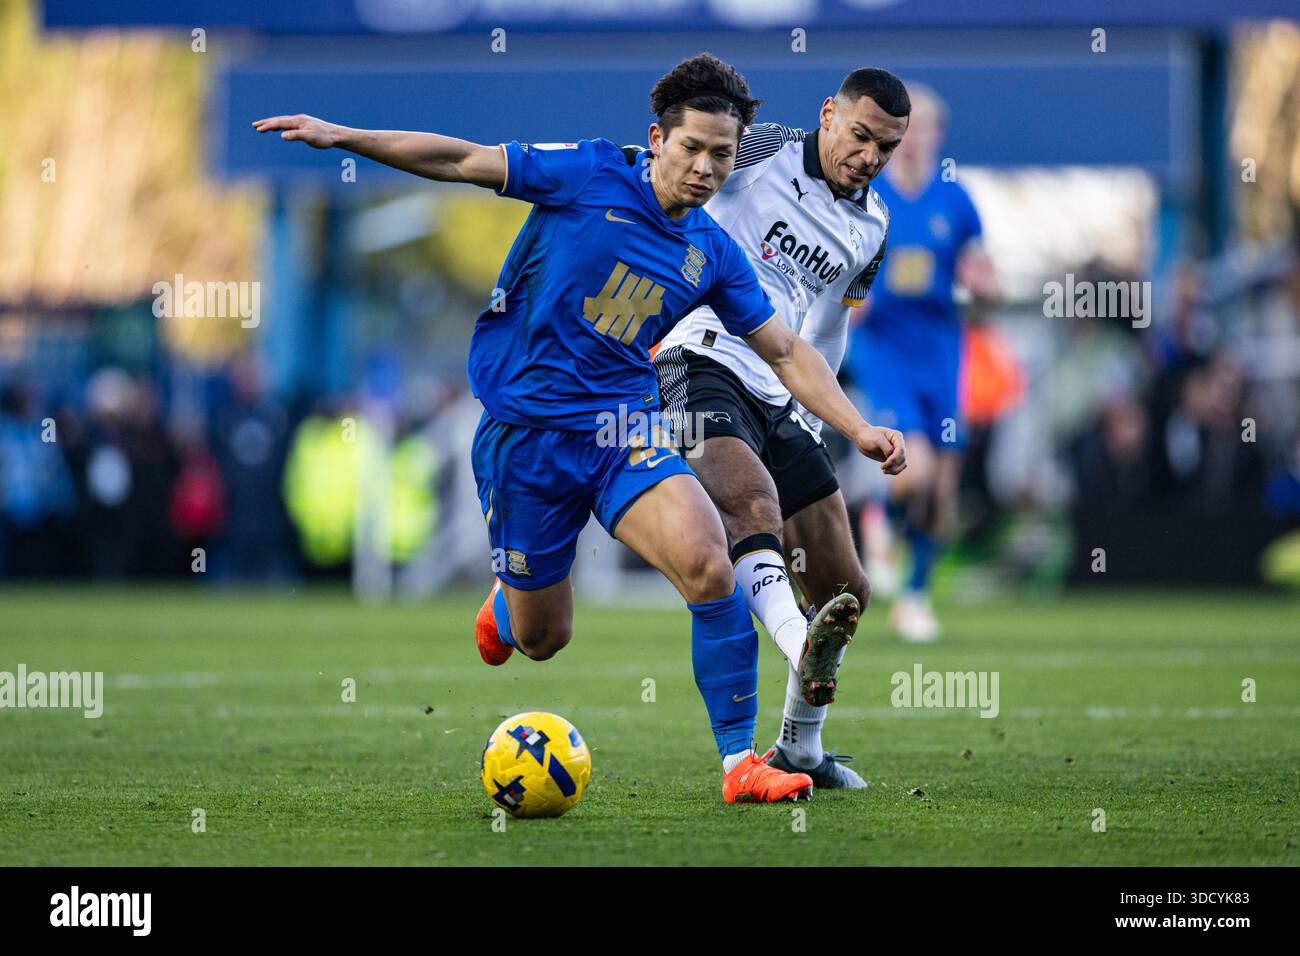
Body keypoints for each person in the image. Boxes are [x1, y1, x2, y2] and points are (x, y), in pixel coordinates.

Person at [254, 53, 905, 803]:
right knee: (542, 639)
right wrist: (343, 136)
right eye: (691, 148)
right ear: (655, 139)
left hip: (622, 429)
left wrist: (858, 429)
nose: (704, 168)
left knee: (708, 562)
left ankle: (741, 764)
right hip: (524, 438)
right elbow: (462, 159)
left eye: (721, 155)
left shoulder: (715, 254)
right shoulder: (587, 174)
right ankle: (509, 602)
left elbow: (787, 350)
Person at [650, 68, 910, 788]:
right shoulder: (762, 147)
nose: (869, 156)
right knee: (749, 503)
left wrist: (837, 420)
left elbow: (825, 327)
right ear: (828, 114)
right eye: (859, 135)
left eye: (885, 148)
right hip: (697, 355)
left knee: (846, 584)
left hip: (782, 386)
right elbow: (677, 165)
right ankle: (796, 647)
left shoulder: (874, 225)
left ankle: (800, 748)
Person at [845, 83, 1001, 642]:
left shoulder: (954, 200)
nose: (912, 142)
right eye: (903, 131)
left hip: (940, 351)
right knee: (918, 467)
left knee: (943, 490)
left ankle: (915, 597)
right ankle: (881, 519)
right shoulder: (869, 194)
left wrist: (984, 284)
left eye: (923, 130)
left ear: (937, 136)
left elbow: (984, 275)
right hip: (885, 349)